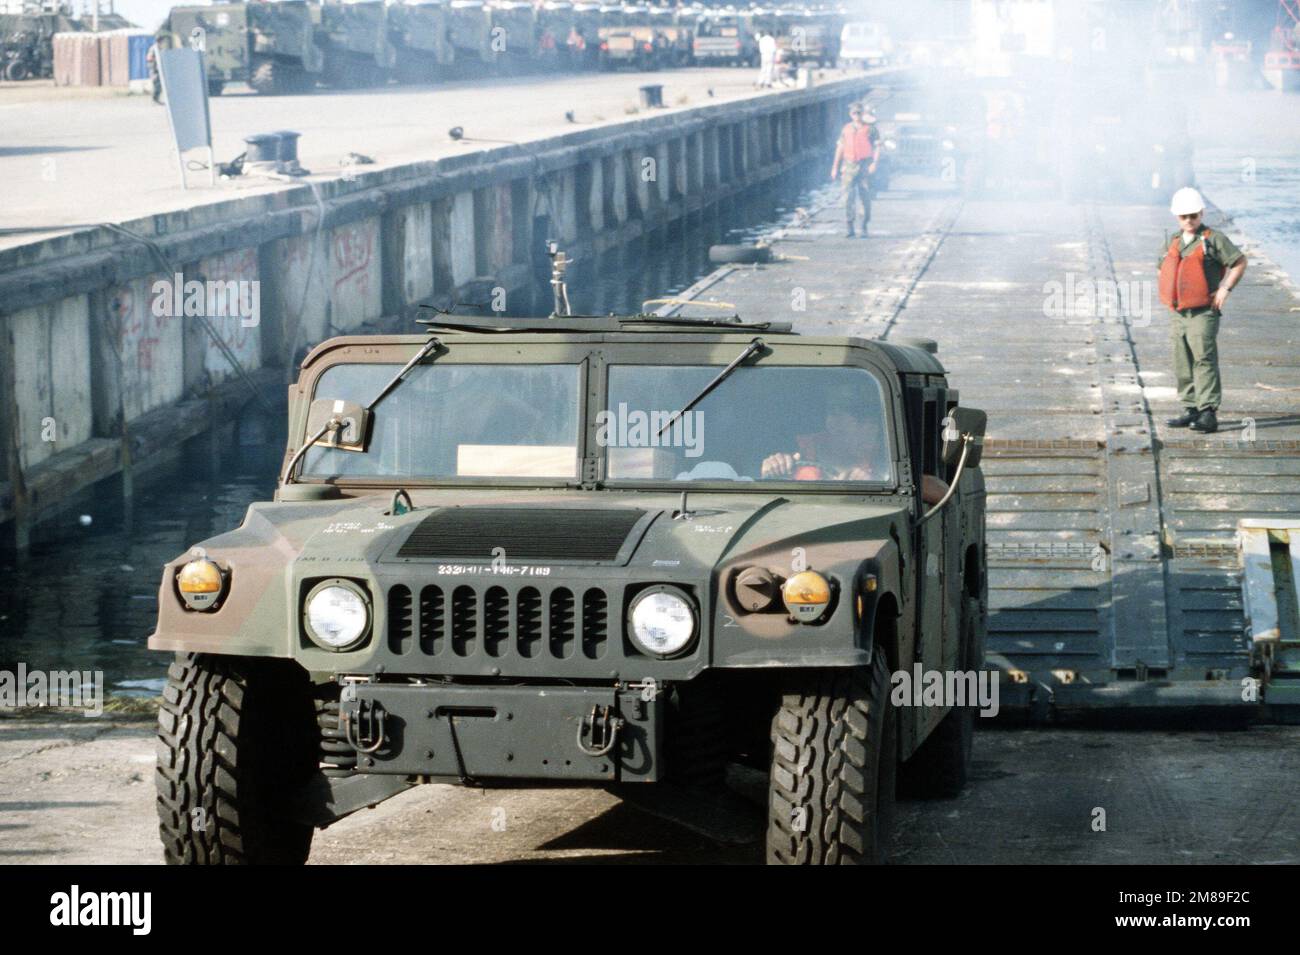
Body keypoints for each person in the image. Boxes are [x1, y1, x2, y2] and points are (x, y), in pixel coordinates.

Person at [1159, 187, 1246, 435]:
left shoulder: (1213, 239)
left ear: (1201, 213)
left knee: (1203, 359)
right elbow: (1162, 267)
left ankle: (1208, 412)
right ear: (1177, 217)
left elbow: (1239, 262)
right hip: (1178, 313)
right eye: (1184, 216)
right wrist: (1171, 293)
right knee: (1182, 359)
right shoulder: (1172, 240)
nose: (1189, 220)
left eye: (1193, 216)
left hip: (1203, 312)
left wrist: (1225, 289)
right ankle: (1191, 408)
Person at [760, 392, 948, 504]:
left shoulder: (890, 456)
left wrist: (877, 483)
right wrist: (769, 470)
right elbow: (748, 485)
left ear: (871, 426)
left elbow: (942, 492)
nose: (832, 423)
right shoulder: (796, 449)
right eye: (832, 415)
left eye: (842, 418)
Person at [830, 102, 879, 238]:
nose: (856, 115)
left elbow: (877, 147)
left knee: (865, 197)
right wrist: (835, 167)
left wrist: (874, 163)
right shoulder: (846, 129)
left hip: (864, 165)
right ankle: (849, 227)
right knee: (847, 198)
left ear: (863, 113)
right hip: (849, 166)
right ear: (850, 114)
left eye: (859, 112)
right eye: (854, 113)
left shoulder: (871, 129)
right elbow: (840, 148)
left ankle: (863, 226)